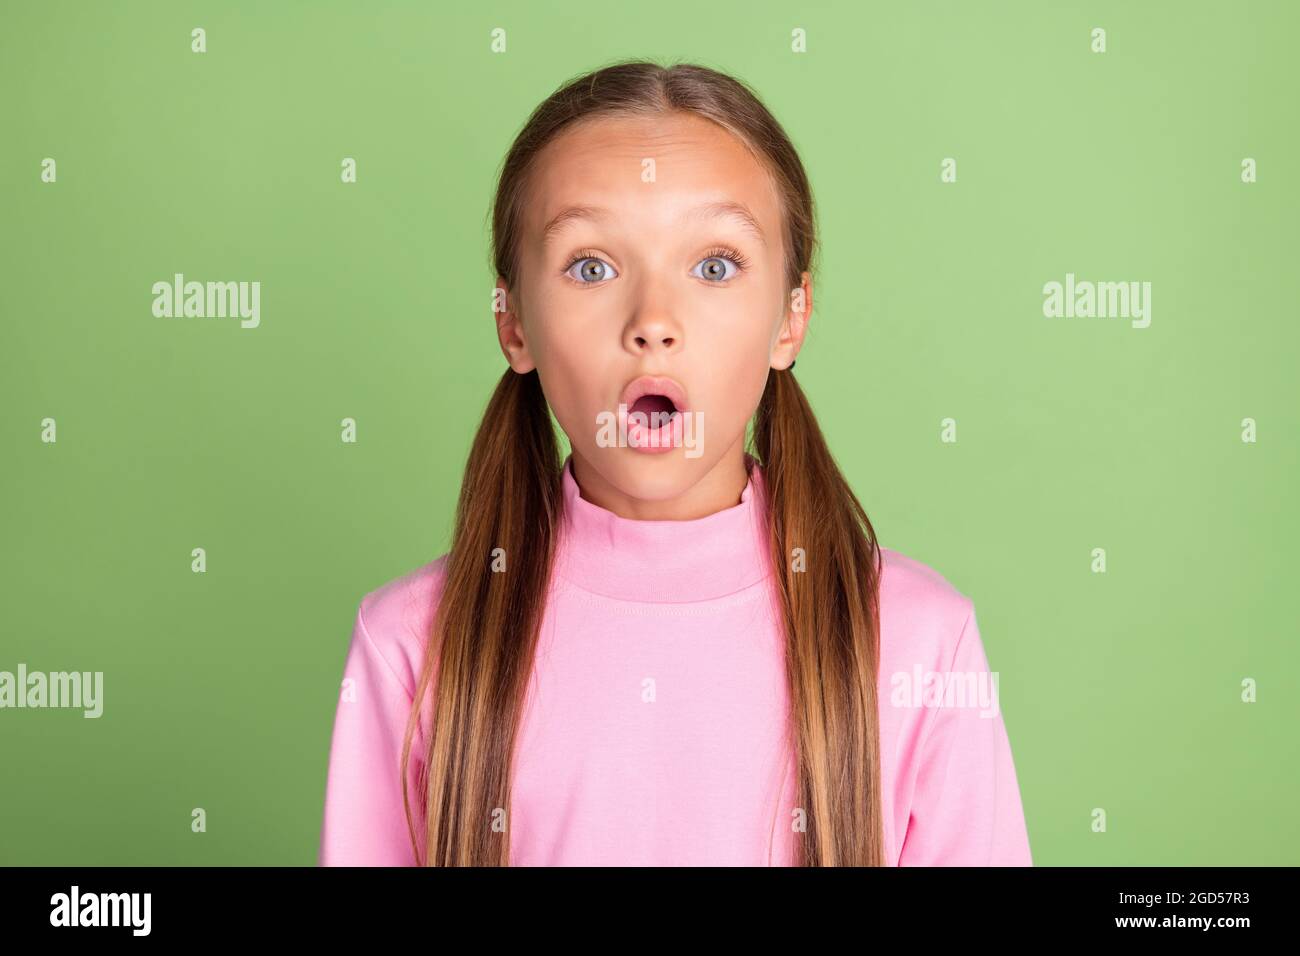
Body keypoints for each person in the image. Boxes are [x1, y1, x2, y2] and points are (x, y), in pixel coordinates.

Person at [318, 59, 1032, 867]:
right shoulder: (409, 646)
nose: (654, 322)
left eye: (714, 266)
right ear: (513, 321)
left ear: (790, 318)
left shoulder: (919, 642)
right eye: (592, 266)